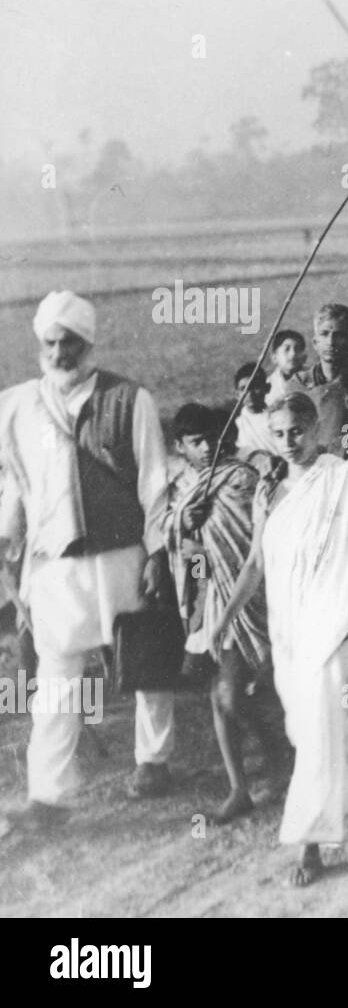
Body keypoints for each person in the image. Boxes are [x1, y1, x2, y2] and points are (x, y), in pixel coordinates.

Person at [0, 291, 175, 828]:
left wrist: (158, 552)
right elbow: (15, 481)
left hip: (123, 553)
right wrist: (8, 540)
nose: (58, 352)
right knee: (57, 677)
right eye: (49, 342)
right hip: (55, 564)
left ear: (87, 343)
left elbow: (155, 483)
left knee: (143, 663)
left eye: (68, 342)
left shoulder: (129, 399)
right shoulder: (18, 404)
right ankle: (48, 794)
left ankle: (154, 761)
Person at [210, 392, 348, 887]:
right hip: (288, 629)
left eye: (299, 432)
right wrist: (224, 619)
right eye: (281, 434)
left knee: (316, 730)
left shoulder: (344, 479)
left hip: (336, 625)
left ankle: (310, 843)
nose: (290, 443)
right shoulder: (269, 492)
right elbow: (255, 564)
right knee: (313, 725)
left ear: (316, 430)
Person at [162, 404, 283, 824]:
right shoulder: (185, 492)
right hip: (215, 600)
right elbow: (190, 559)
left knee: (245, 691)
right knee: (222, 696)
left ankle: (282, 753)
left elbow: (264, 537)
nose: (207, 445)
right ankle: (239, 787)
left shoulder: (242, 477)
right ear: (180, 447)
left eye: (212, 436)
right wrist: (187, 525)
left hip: (257, 595)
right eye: (196, 441)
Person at [306, 303, 348, 457]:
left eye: (339, 335)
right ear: (315, 343)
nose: (331, 342)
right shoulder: (299, 383)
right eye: (324, 334)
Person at [233, 362, 276, 466]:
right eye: (244, 389)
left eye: (255, 386)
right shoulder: (237, 425)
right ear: (237, 395)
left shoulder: (278, 418)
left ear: (267, 388)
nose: (250, 394)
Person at [267, 329, 311, 402]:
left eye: (298, 349)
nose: (293, 354)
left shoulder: (314, 377)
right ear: (274, 357)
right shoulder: (269, 385)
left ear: (304, 357)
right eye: (287, 349)